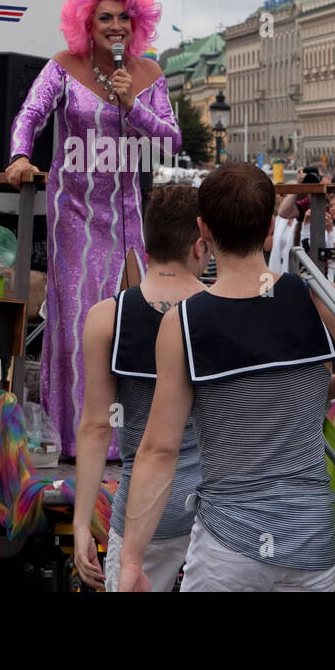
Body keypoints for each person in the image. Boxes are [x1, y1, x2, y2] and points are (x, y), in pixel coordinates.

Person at [117, 165, 335, 591]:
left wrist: (132, 558)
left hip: (228, 546)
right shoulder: (319, 299)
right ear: (268, 226)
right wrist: (324, 384)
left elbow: (158, 452)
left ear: (202, 230)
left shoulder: (184, 322)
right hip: (311, 542)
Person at [5, 0, 180, 456]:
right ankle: (80, 440)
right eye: (106, 17)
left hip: (129, 217)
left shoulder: (148, 73)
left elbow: (170, 141)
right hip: (76, 215)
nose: (116, 25)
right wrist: (21, 156)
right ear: (87, 22)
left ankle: (132, 439)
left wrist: (133, 106)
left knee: (140, 321)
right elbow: (30, 115)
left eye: (125, 17)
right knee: (82, 322)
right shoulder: (64, 67)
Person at [73, 186, 207, 591]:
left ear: (146, 240)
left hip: (142, 513)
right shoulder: (224, 312)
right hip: (214, 511)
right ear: (202, 244)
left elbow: (96, 428)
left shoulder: (105, 318)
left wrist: (81, 523)